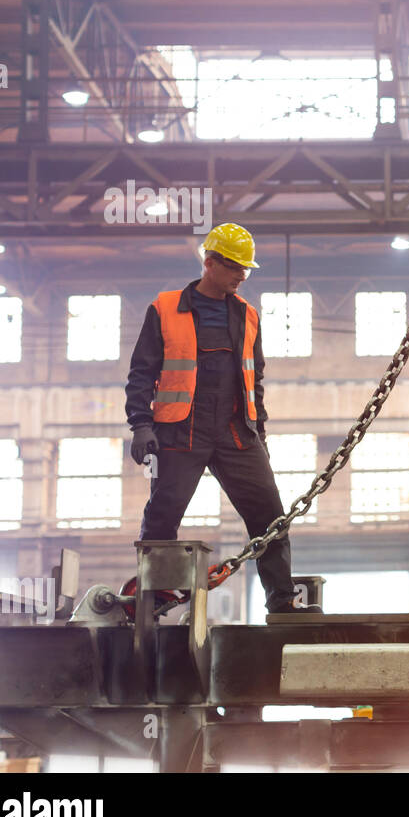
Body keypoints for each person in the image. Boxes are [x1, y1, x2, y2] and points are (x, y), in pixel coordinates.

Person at [125, 222, 319, 616]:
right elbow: (142, 373)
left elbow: (254, 378)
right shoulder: (164, 308)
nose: (242, 276)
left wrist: (258, 431)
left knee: (271, 518)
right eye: (234, 267)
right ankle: (151, 600)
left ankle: (281, 602)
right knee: (162, 514)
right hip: (181, 430)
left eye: (246, 268)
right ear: (209, 263)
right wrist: (141, 424)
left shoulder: (247, 315)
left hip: (235, 432)